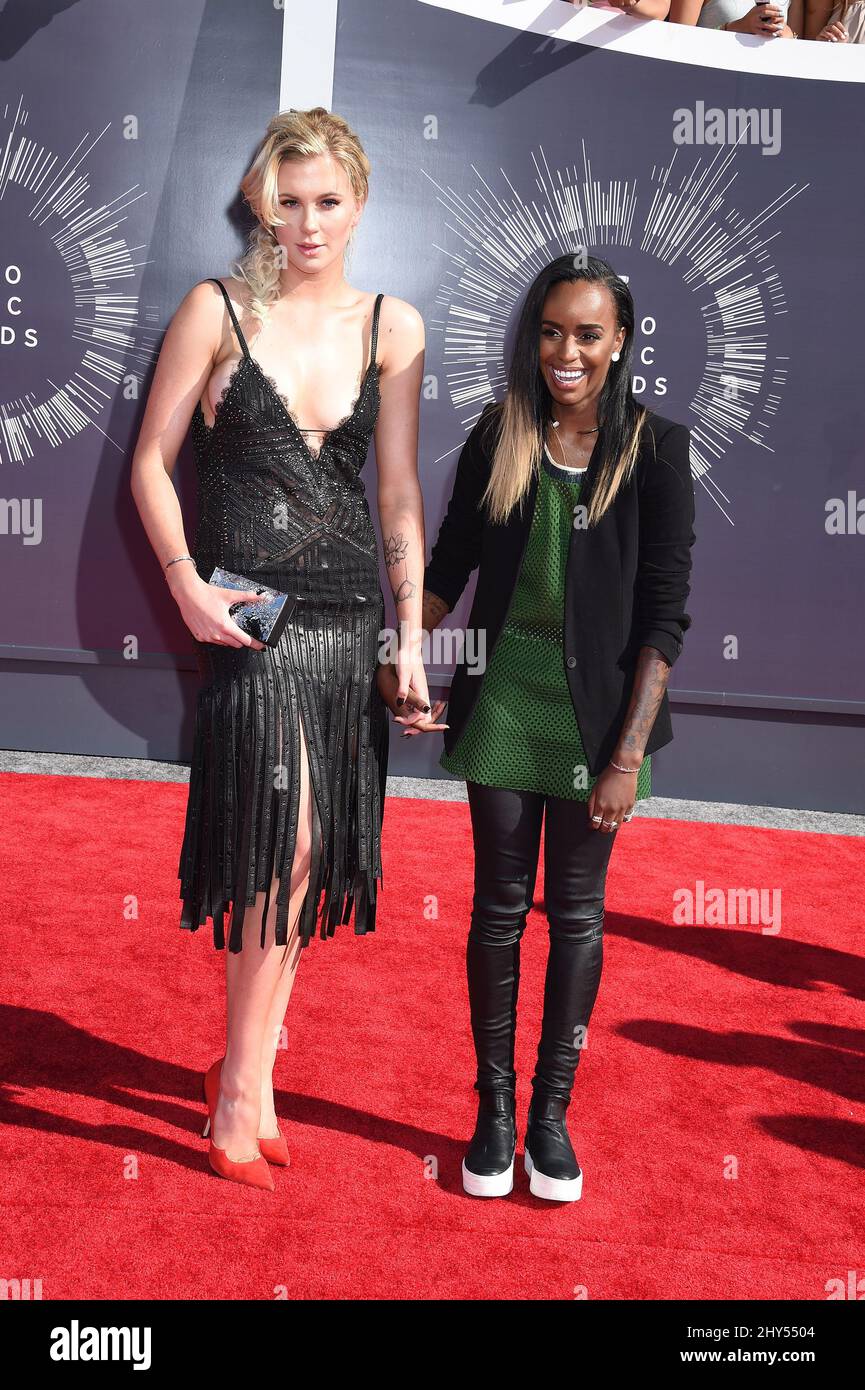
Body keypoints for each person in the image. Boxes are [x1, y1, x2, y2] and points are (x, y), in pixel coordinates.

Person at [130, 108, 431, 1190]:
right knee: (282, 836)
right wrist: (181, 583)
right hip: (247, 604)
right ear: (265, 201)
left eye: (327, 201)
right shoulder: (215, 310)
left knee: (310, 847)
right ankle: (243, 1088)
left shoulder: (393, 325)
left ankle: (243, 1065)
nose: (307, 222)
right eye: (288, 200)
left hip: (349, 603)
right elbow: (152, 465)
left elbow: (395, 491)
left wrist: (406, 636)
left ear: (360, 204)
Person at [396, 255, 696, 1202]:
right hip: (504, 703)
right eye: (553, 331)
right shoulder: (501, 431)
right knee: (495, 911)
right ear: (534, 336)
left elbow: (664, 615)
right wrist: (400, 649)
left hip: (601, 725)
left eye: (589, 334)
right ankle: (489, 1115)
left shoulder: (654, 450)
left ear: (620, 342)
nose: (568, 351)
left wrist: (626, 755)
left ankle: (548, 1119)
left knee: (575, 916)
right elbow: (452, 559)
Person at [669, 0, 803, 35]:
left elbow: (795, 56)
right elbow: (675, 42)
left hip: (764, 94)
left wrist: (788, 35)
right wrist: (738, 27)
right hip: (707, 89)